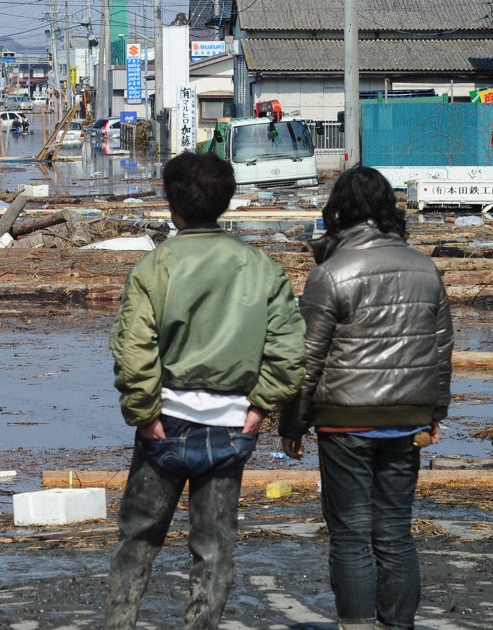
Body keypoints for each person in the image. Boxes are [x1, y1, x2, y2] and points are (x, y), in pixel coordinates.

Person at [104, 151, 306, 629]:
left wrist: (145, 414)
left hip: (165, 424)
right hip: (232, 427)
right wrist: (259, 408)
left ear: (172, 205)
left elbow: (134, 350)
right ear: (226, 201)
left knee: (137, 540)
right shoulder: (260, 267)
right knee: (214, 549)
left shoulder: (156, 267)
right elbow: (289, 349)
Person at [278, 165, 453, 630]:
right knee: (395, 533)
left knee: (352, 535)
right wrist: (435, 412)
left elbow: (304, 360)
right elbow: (441, 349)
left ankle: (356, 626)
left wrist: (292, 424)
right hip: (408, 420)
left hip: (344, 421)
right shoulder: (425, 269)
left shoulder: (330, 274)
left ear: (340, 211)